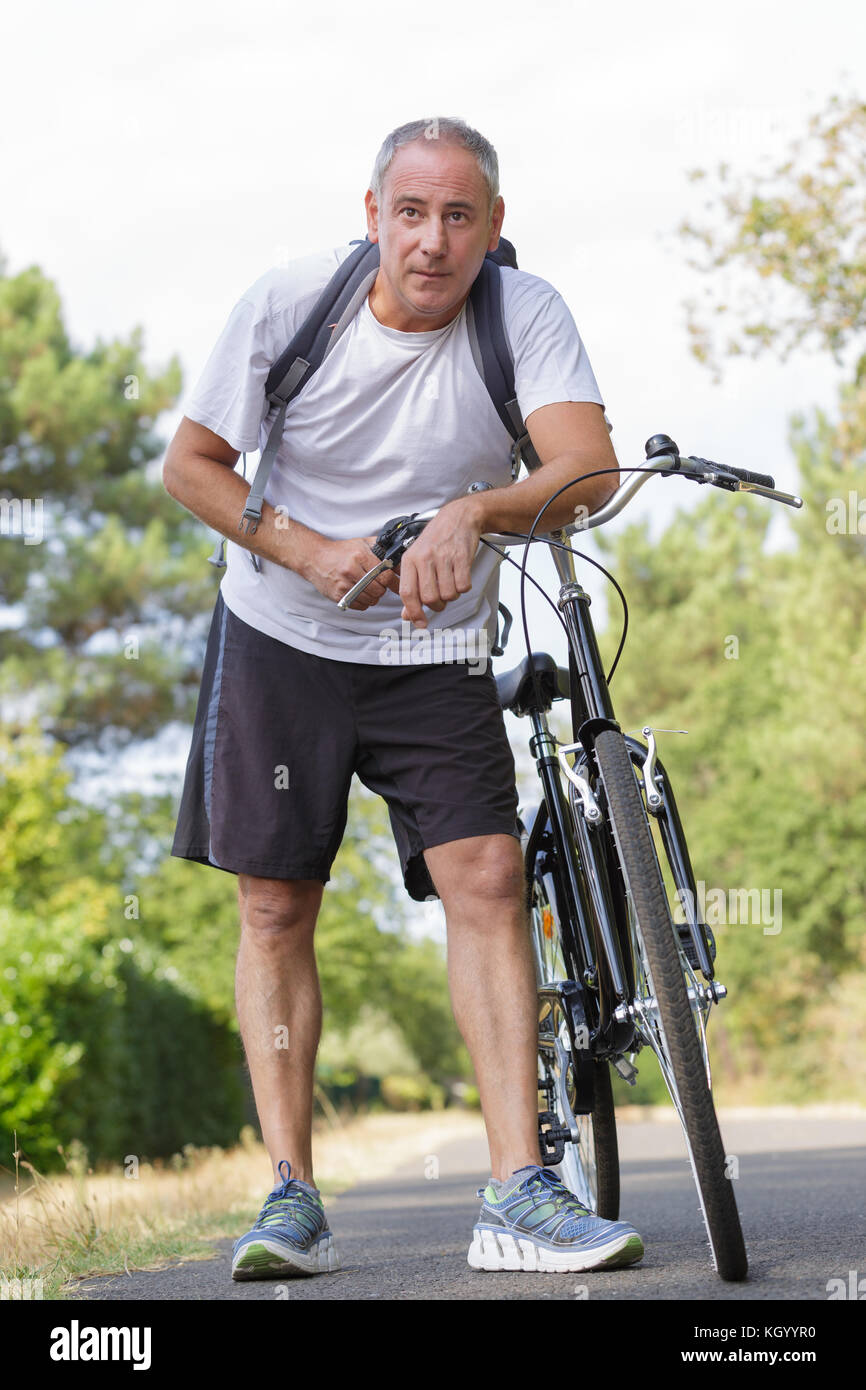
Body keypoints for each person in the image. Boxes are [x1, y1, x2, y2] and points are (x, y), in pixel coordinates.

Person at [162, 116, 645, 1279]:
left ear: (490, 228)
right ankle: (289, 1196)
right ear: (373, 214)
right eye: (412, 212)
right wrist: (305, 548)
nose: (432, 240)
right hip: (282, 632)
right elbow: (192, 464)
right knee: (276, 906)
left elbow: (585, 468)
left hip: (433, 648)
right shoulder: (289, 305)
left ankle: (519, 1186)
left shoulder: (522, 314)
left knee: (480, 873)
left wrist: (471, 512)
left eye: (459, 216)